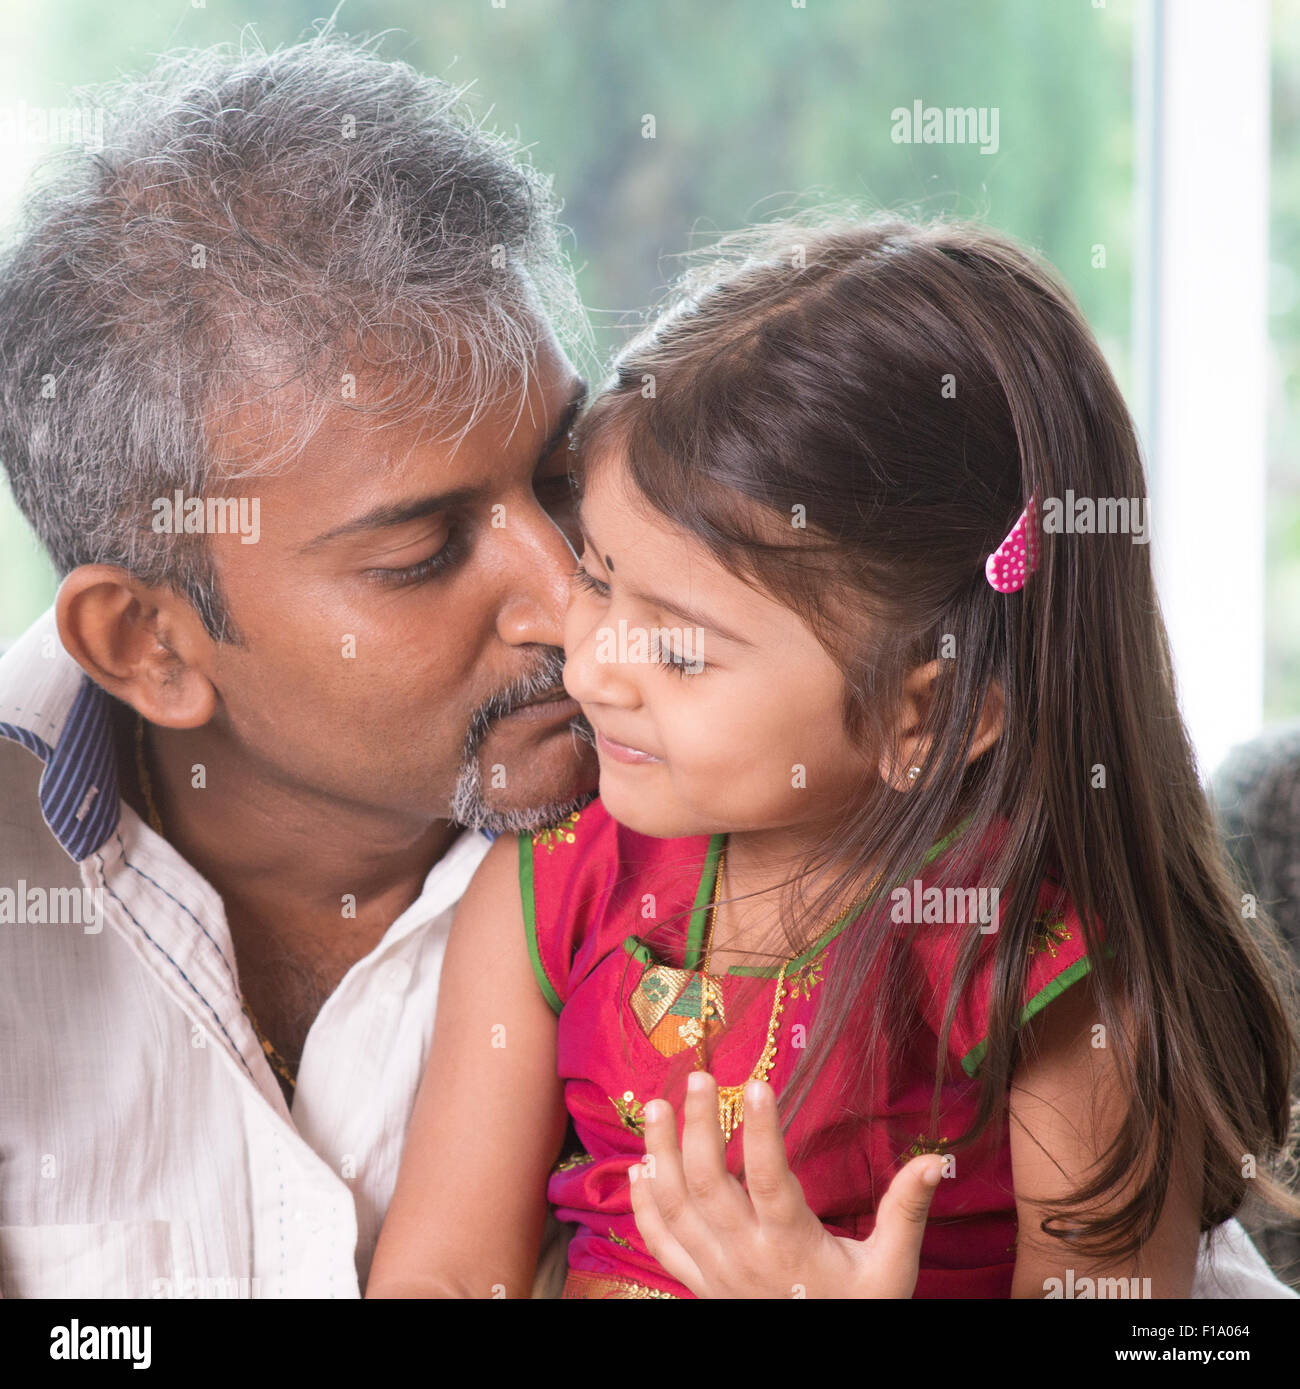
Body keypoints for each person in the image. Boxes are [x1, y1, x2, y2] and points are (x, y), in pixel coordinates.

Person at [368, 215, 1300, 1299]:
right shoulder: (551, 885)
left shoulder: (1047, 970)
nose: (590, 668)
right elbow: (437, 1273)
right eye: (596, 574)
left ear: (927, 712)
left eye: (676, 646)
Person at [0, 33, 597, 1297]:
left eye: (564, 477)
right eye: (425, 550)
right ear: (148, 644)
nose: (569, 598)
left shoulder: (757, 821)